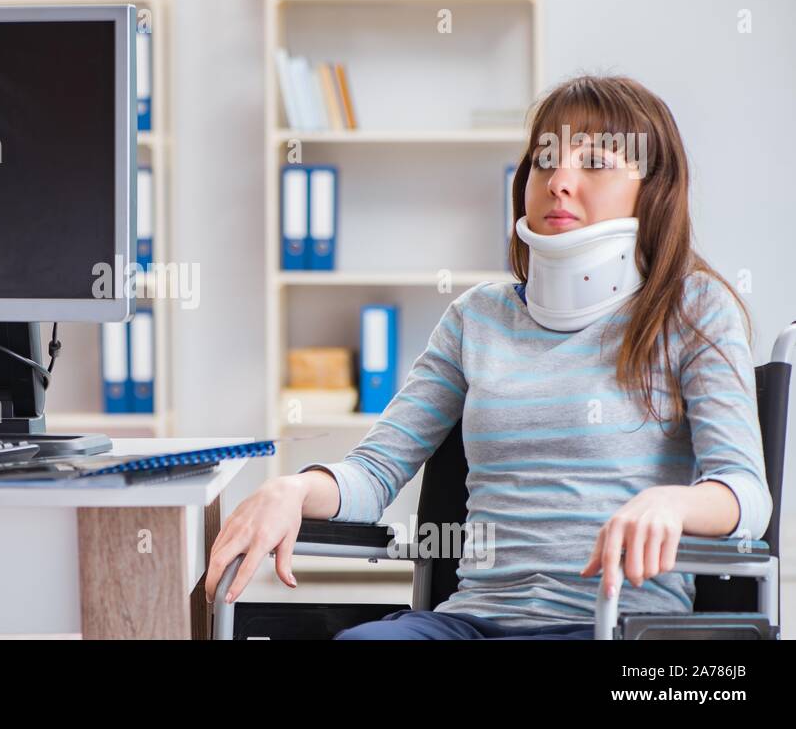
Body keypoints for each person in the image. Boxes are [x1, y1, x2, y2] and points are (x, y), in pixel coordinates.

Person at [205, 74, 771, 640]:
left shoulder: (694, 308)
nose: (560, 182)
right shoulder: (477, 317)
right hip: (471, 621)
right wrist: (294, 489)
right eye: (545, 162)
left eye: (595, 162)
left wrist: (672, 505)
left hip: (619, 625)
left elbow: (744, 493)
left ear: (653, 190)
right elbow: (375, 473)